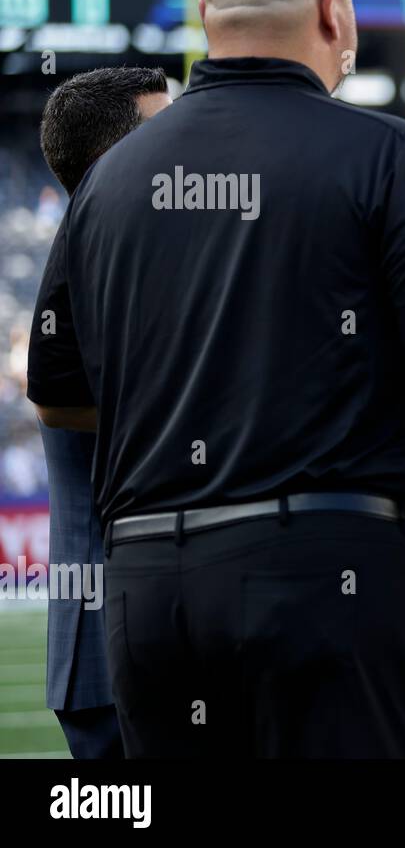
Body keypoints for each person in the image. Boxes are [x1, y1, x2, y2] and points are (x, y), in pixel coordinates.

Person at [26, 0, 405, 758]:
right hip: (333, 577)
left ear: (207, 16)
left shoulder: (111, 178)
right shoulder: (392, 156)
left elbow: (61, 398)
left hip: (152, 599)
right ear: (336, 13)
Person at [35, 65, 173, 759]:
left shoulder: (109, 251)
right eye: (164, 131)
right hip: (117, 636)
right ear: (110, 164)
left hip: (121, 632)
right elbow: (59, 396)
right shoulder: (100, 251)